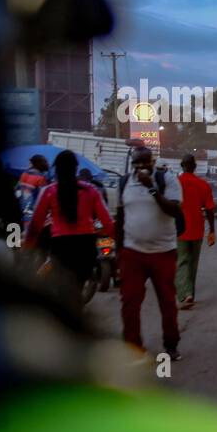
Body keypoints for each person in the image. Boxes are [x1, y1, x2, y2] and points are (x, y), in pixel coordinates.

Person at [116, 145, 185, 360]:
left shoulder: (167, 180)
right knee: (130, 301)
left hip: (163, 251)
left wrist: (153, 189)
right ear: (133, 165)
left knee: (166, 301)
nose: (141, 169)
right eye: (138, 165)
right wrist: (119, 252)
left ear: (153, 163)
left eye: (145, 164)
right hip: (132, 252)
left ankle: (171, 345)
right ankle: (133, 346)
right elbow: (120, 217)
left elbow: (174, 210)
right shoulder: (124, 182)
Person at [23, 150, 114, 308]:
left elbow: (36, 223)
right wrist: (120, 242)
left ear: (56, 169)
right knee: (76, 289)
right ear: (76, 168)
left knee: (63, 290)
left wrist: (28, 246)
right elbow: (107, 221)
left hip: (61, 248)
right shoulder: (90, 190)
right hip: (86, 247)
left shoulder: (49, 191)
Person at [175, 154, 216, 311]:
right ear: (195, 166)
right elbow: (210, 209)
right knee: (193, 263)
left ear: (181, 165)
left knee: (181, 262)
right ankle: (190, 293)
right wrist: (212, 230)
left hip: (179, 229)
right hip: (197, 228)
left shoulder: (176, 183)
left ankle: (185, 295)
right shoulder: (202, 184)